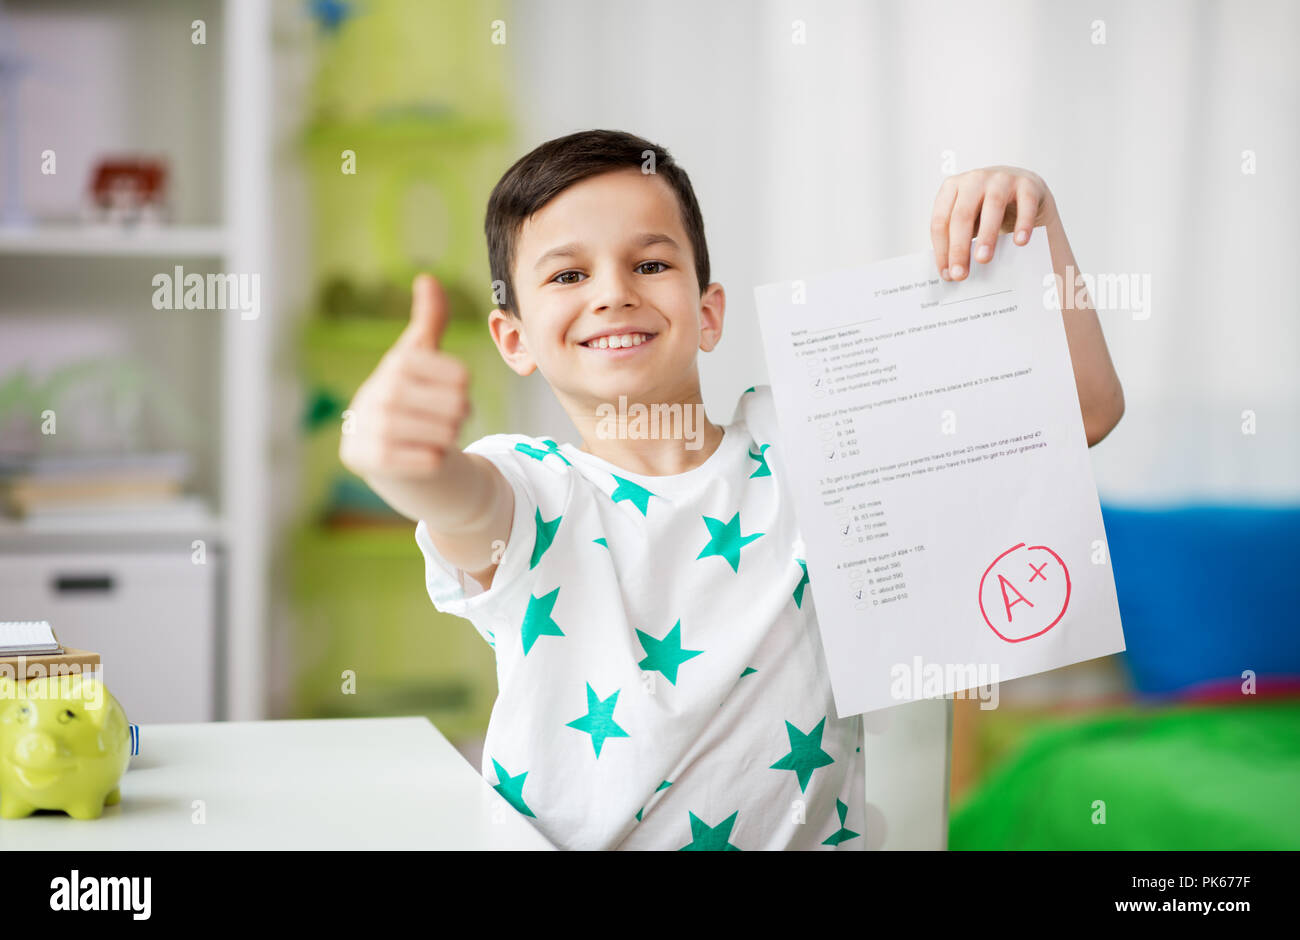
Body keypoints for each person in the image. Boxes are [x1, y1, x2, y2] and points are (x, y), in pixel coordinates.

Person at [339, 129, 1124, 850]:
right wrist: (402, 464)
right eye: (569, 274)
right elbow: (461, 502)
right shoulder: (532, 486)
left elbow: (1085, 411)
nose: (612, 292)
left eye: (650, 264)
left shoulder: (808, 438)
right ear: (513, 339)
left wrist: (1037, 222)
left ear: (708, 314)